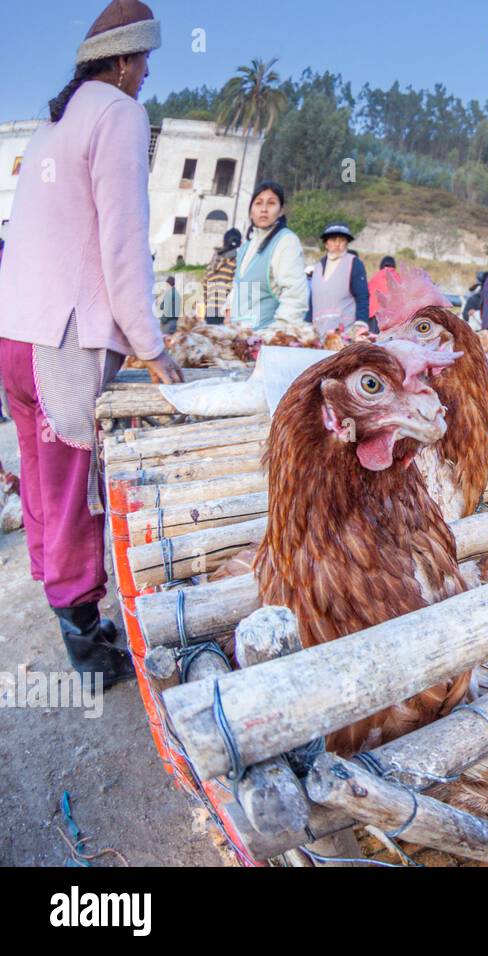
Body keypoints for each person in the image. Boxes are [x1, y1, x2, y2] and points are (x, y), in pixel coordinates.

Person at [0, 0, 183, 689]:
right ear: (126, 60)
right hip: (63, 343)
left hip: (17, 332)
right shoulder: (119, 115)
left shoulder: (55, 125)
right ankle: (87, 652)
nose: (145, 78)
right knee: (73, 490)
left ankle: (71, 615)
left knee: (42, 485)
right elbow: (122, 241)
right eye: (145, 63)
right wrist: (151, 345)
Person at [227, 180, 308, 328]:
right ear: (251, 211)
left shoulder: (286, 242)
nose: (264, 209)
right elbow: (238, 289)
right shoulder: (245, 247)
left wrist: (277, 333)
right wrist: (229, 317)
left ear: (281, 210)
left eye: (271, 203)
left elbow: (295, 295)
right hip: (240, 336)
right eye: (258, 203)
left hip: (264, 340)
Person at [306, 222, 369, 335]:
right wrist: (306, 324)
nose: (337, 243)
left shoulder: (353, 263)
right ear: (326, 243)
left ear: (346, 243)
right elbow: (312, 300)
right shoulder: (318, 267)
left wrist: (361, 322)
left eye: (342, 240)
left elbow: (362, 296)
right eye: (333, 239)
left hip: (345, 332)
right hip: (319, 332)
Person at [202, 227, 241, 324]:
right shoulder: (237, 262)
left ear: (223, 242)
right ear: (240, 243)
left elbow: (204, 287)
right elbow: (237, 287)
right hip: (227, 312)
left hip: (210, 311)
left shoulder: (211, 265)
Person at [367, 255, 397, 331]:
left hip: (374, 314)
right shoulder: (398, 277)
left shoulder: (375, 277)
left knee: (372, 339)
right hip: (392, 316)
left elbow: (367, 294)